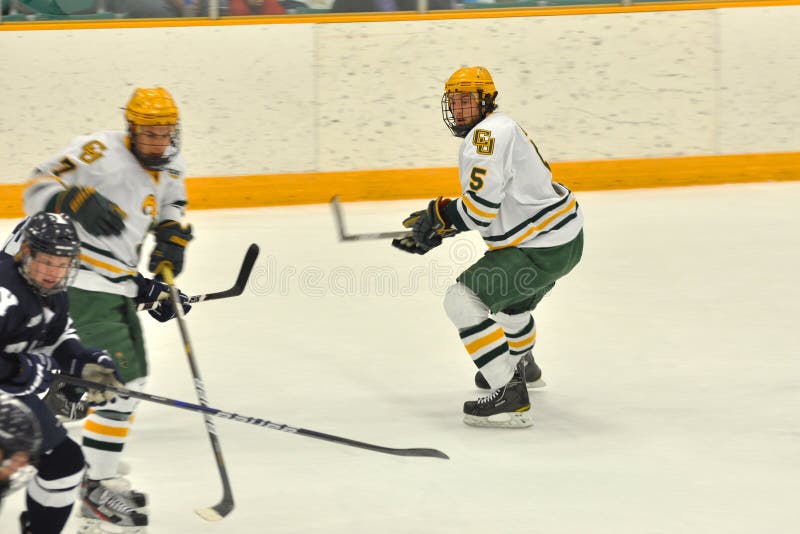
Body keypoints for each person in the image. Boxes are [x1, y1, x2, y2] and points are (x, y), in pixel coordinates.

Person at [19, 86, 193, 531]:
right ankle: (96, 484)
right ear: (131, 127)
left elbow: (172, 202)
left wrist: (171, 239)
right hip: (77, 279)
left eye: (165, 134)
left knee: (102, 384)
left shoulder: (171, 160)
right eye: (149, 133)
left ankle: (52, 441)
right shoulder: (99, 150)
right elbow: (37, 186)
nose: (158, 142)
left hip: (115, 283)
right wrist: (71, 199)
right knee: (122, 378)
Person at [392, 66, 584, 428]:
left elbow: (481, 209)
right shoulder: (502, 126)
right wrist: (438, 226)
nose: (459, 109)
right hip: (564, 241)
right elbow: (489, 207)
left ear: (486, 101)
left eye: (466, 101)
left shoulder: (485, 137)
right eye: (454, 101)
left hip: (537, 247)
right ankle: (522, 364)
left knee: (462, 301)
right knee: (511, 307)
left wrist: (441, 216)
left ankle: (509, 395)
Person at [0, 212, 125, 532]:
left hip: (8, 399)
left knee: (64, 464)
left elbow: (58, 338)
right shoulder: (4, 294)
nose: (53, 272)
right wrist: (21, 369)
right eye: (46, 262)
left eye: (61, 264)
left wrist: (85, 362)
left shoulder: (52, 293)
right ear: (25, 253)